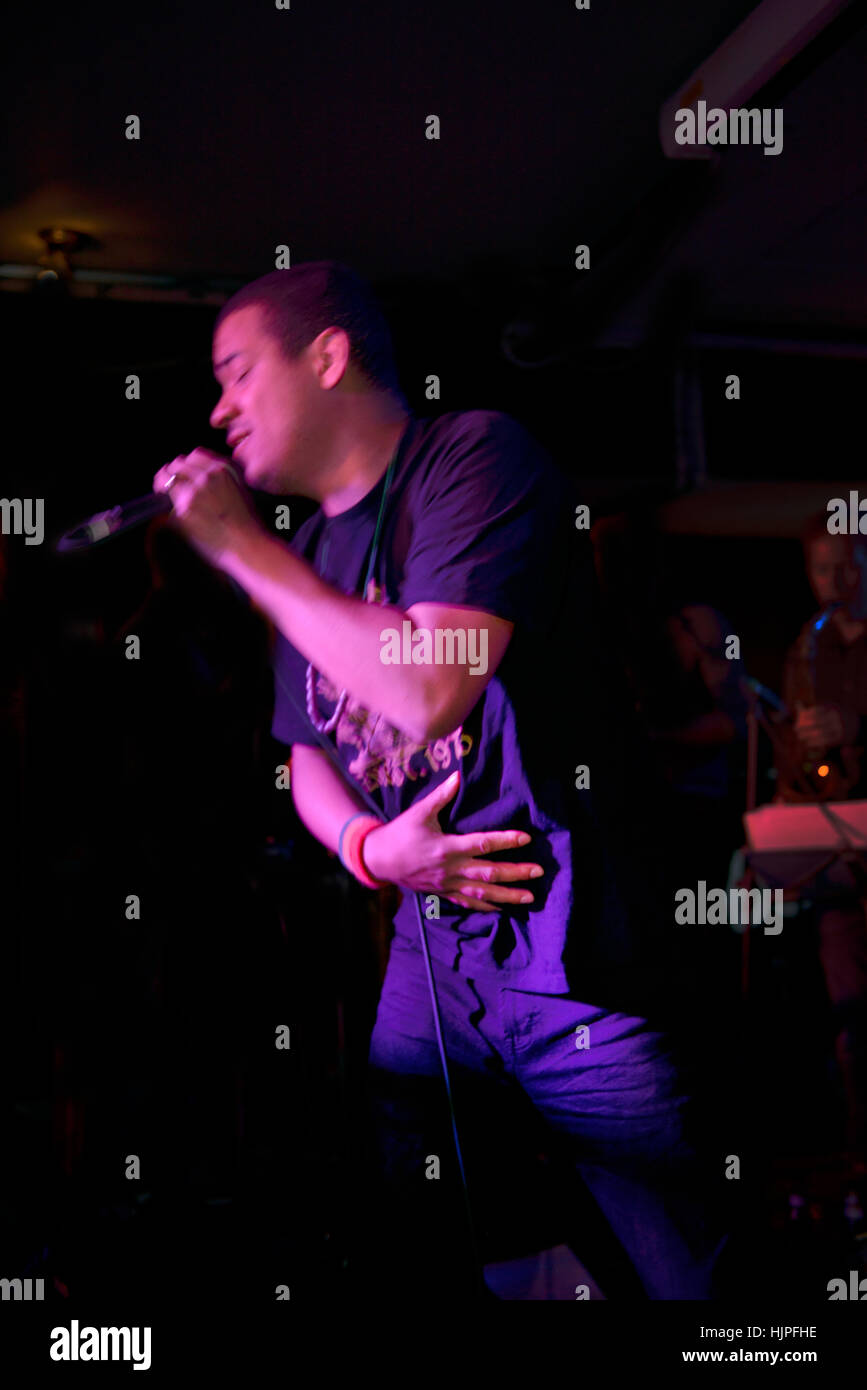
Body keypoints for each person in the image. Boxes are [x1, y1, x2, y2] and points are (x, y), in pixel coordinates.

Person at [152, 259, 728, 1300]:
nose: (218, 406)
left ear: (326, 357)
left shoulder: (474, 458)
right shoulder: (315, 550)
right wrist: (371, 848)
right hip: (431, 958)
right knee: (471, 1244)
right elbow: (308, 751)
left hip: (565, 940)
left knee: (682, 1261)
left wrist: (241, 549)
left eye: (237, 373)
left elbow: (428, 691)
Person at [775, 519, 867, 1169]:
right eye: (820, 569)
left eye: (847, 566)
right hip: (839, 851)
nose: (834, 583)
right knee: (849, 1020)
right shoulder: (804, 648)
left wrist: (855, 726)